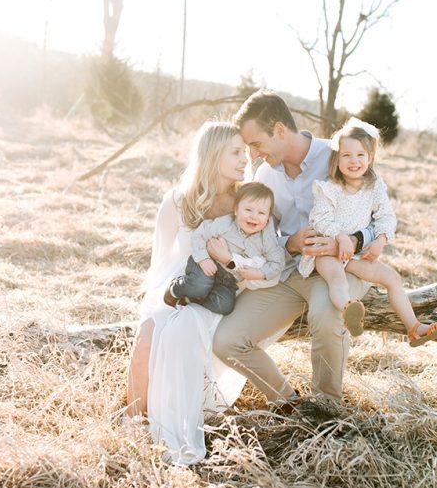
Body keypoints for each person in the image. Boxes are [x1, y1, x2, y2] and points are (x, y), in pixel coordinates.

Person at [211, 90, 377, 406]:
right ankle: (288, 402)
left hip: (340, 269)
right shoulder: (264, 176)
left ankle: (327, 409)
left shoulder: (338, 154)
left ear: (280, 130)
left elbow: (378, 212)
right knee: (226, 340)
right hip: (290, 270)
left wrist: (355, 239)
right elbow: (259, 236)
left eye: (256, 144)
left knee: (327, 320)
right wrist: (290, 242)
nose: (254, 154)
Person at [126, 121, 251, 465]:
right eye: (236, 152)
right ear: (213, 154)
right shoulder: (178, 201)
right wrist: (164, 299)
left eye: (246, 151)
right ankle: (132, 420)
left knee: (180, 336)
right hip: (176, 288)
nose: (245, 158)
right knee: (148, 336)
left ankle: (173, 423)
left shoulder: (246, 202)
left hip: (220, 295)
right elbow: (162, 261)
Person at [298, 117, 437, 344]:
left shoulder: (375, 186)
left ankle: (414, 327)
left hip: (355, 255)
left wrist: (381, 239)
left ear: (370, 158)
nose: (354, 161)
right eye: (346, 155)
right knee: (337, 278)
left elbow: (386, 216)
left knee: (391, 278)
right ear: (336, 159)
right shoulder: (327, 188)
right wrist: (341, 237)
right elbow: (320, 218)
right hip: (327, 251)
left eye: (360, 155)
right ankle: (348, 310)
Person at [164, 182, 285, 315]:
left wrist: (260, 273)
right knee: (200, 285)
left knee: (225, 306)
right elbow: (199, 234)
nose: (254, 216)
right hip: (207, 265)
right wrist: (203, 258)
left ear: (268, 218)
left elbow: (278, 262)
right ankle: (175, 289)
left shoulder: (267, 240)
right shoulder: (226, 224)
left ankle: (189, 298)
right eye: (248, 210)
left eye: (261, 213)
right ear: (236, 210)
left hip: (228, 280)